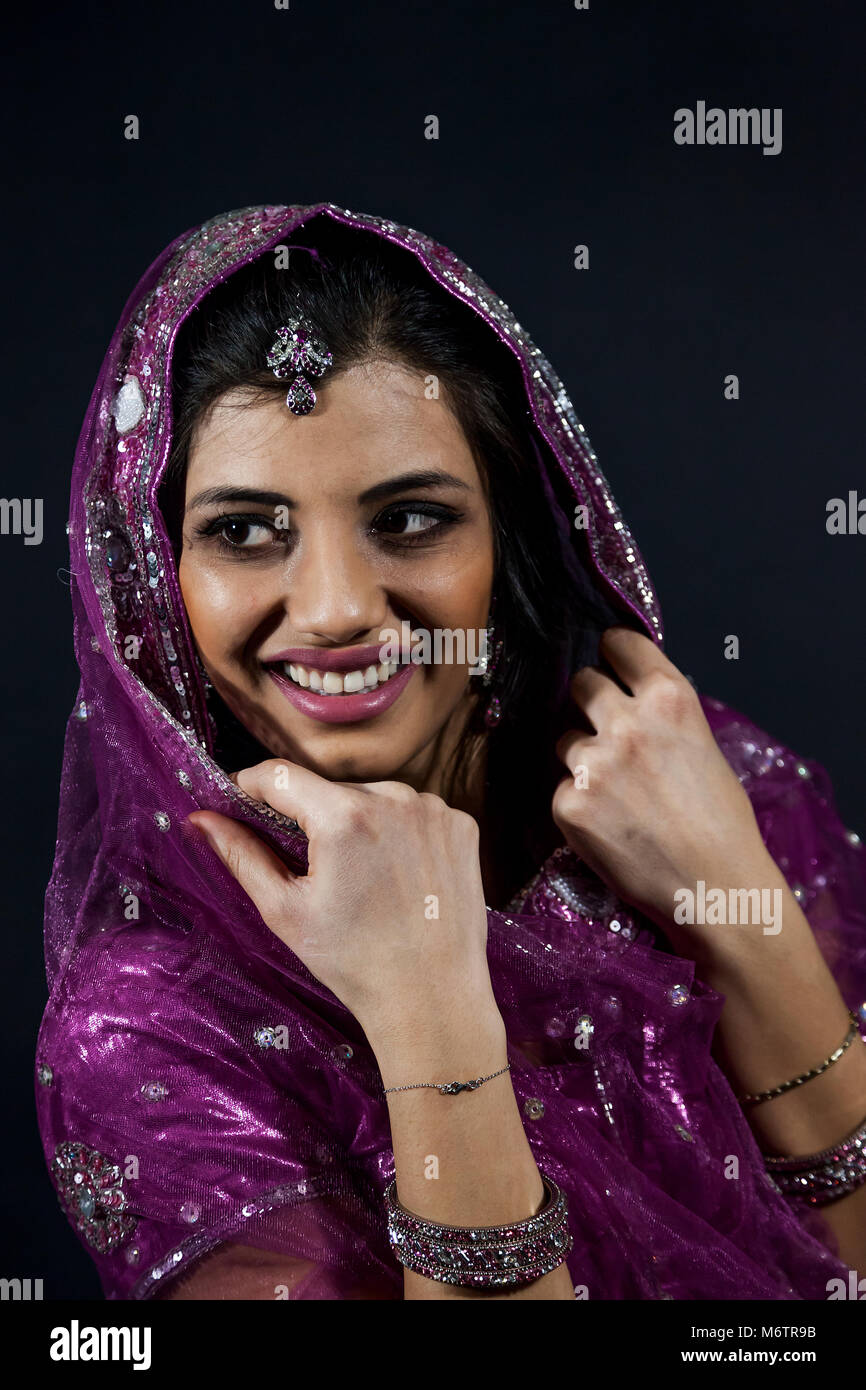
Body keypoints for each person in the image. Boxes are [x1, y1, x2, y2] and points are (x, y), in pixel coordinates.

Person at [36, 202, 866, 1300]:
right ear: (152, 584)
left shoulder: (712, 791)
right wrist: (430, 1015)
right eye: (243, 531)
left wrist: (738, 913)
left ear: (508, 533)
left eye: (411, 518)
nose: (335, 608)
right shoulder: (156, 1021)